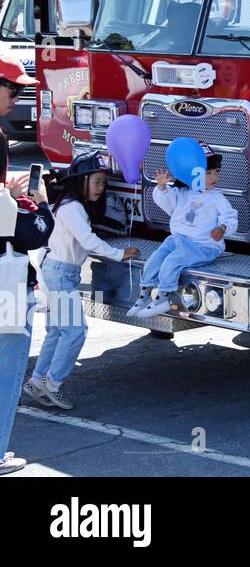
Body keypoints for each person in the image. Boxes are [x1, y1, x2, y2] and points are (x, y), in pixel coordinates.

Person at [22, 154, 138, 412]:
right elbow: (88, 240)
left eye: (103, 183)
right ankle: (51, 385)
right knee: (75, 331)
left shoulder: (67, 203)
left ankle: (38, 380)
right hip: (61, 273)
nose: (101, 188)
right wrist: (120, 253)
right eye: (97, 182)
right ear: (81, 181)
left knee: (57, 330)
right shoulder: (72, 207)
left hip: (57, 271)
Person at [128, 144, 238, 319]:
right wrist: (162, 188)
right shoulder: (182, 193)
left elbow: (230, 217)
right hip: (179, 240)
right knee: (156, 258)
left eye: (216, 172)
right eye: (208, 173)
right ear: (192, 174)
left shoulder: (217, 197)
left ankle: (164, 298)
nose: (214, 177)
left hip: (204, 246)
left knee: (172, 262)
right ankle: (144, 295)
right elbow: (167, 202)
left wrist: (222, 228)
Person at [0, 57, 46, 474]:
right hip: (6, 274)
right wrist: (24, 202)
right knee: (10, 362)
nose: (19, 96)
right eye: (12, 89)